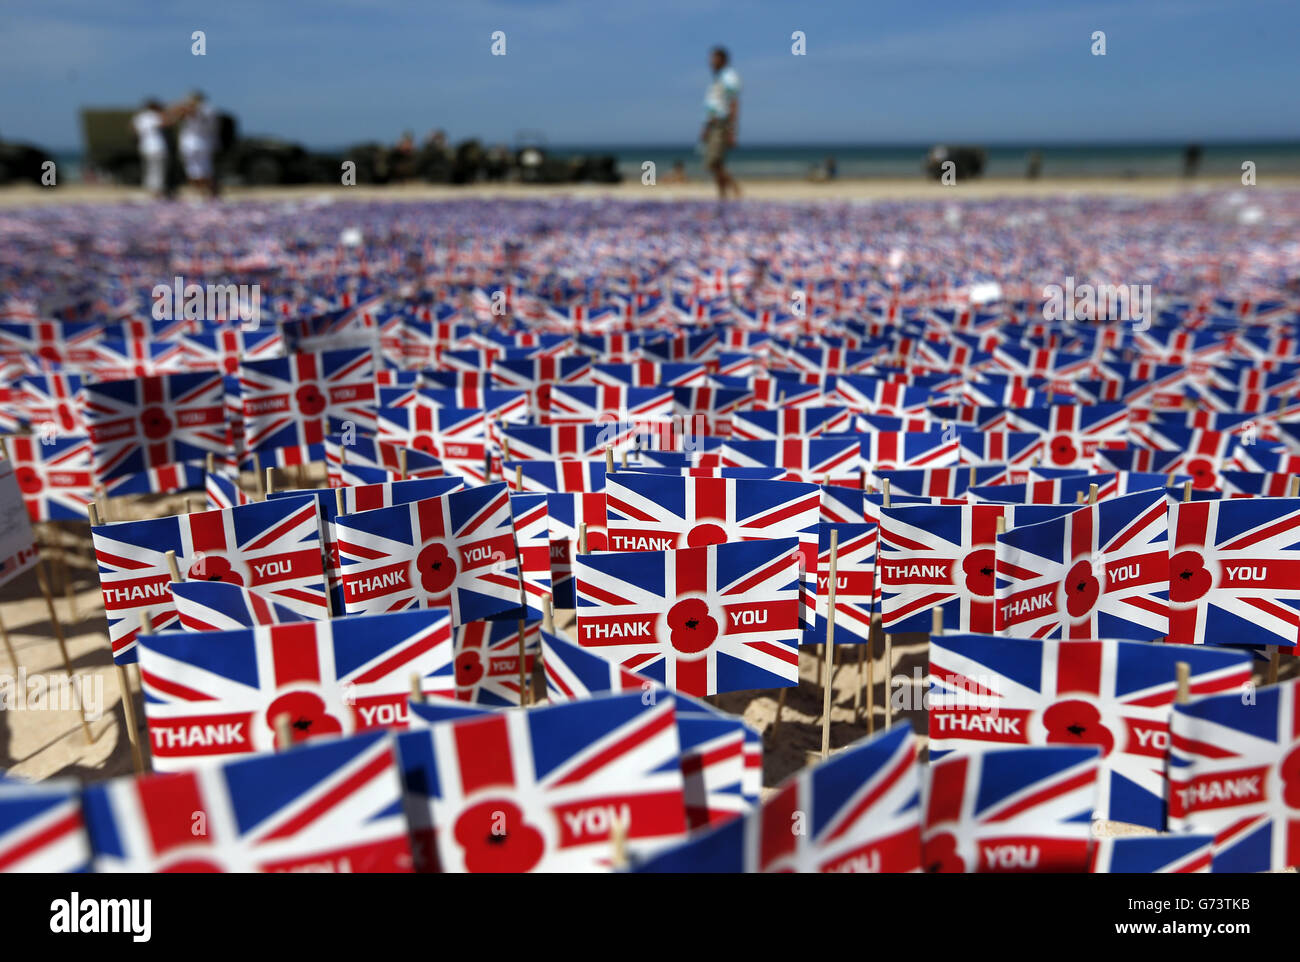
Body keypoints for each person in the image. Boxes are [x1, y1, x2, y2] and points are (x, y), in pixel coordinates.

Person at [701, 45, 741, 200]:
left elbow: (733, 103)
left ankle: (733, 187)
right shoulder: (717, 79)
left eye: (714, 58)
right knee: (716, 163)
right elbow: (712, 106)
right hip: (712, 124)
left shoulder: (729, 77)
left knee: (714, 161)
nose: (710, 61)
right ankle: (723, 194)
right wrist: (705, 127)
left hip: (721, 124)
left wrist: (731, 129)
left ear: (723, 59)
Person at [175, 90, 218, 197]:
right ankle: (200, 191)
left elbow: (192, 113)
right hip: (195, 143)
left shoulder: (206, 108)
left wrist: (185, 106)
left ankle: (207, 191)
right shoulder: (208, 109)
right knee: (194, 169)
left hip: (200, 142)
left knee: (203, 169)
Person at [131, 99, 169, 197]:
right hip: (157, 146)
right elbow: (165, 123)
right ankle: (157, 191)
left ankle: (150, 190)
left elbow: (133, 130)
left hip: (145, 146)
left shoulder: (140, 117)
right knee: (158, 170)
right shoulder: (155, 116)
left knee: (148, 170)